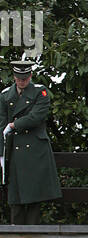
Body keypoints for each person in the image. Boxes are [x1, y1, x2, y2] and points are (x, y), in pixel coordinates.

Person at [0, 57, 62, 224]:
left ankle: (33, 237)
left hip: (35, 148)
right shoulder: (6, 95)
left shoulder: (40, 92)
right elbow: (1, 123)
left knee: (34, 195)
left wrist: (14, 125)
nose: (22, 81)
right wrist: (1, 151)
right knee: (16, 197)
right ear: (14, 77)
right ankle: (17, 237)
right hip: (14, 149)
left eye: (25, 78)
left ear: (30, 75)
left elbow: (37, 117)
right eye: (19, 78)